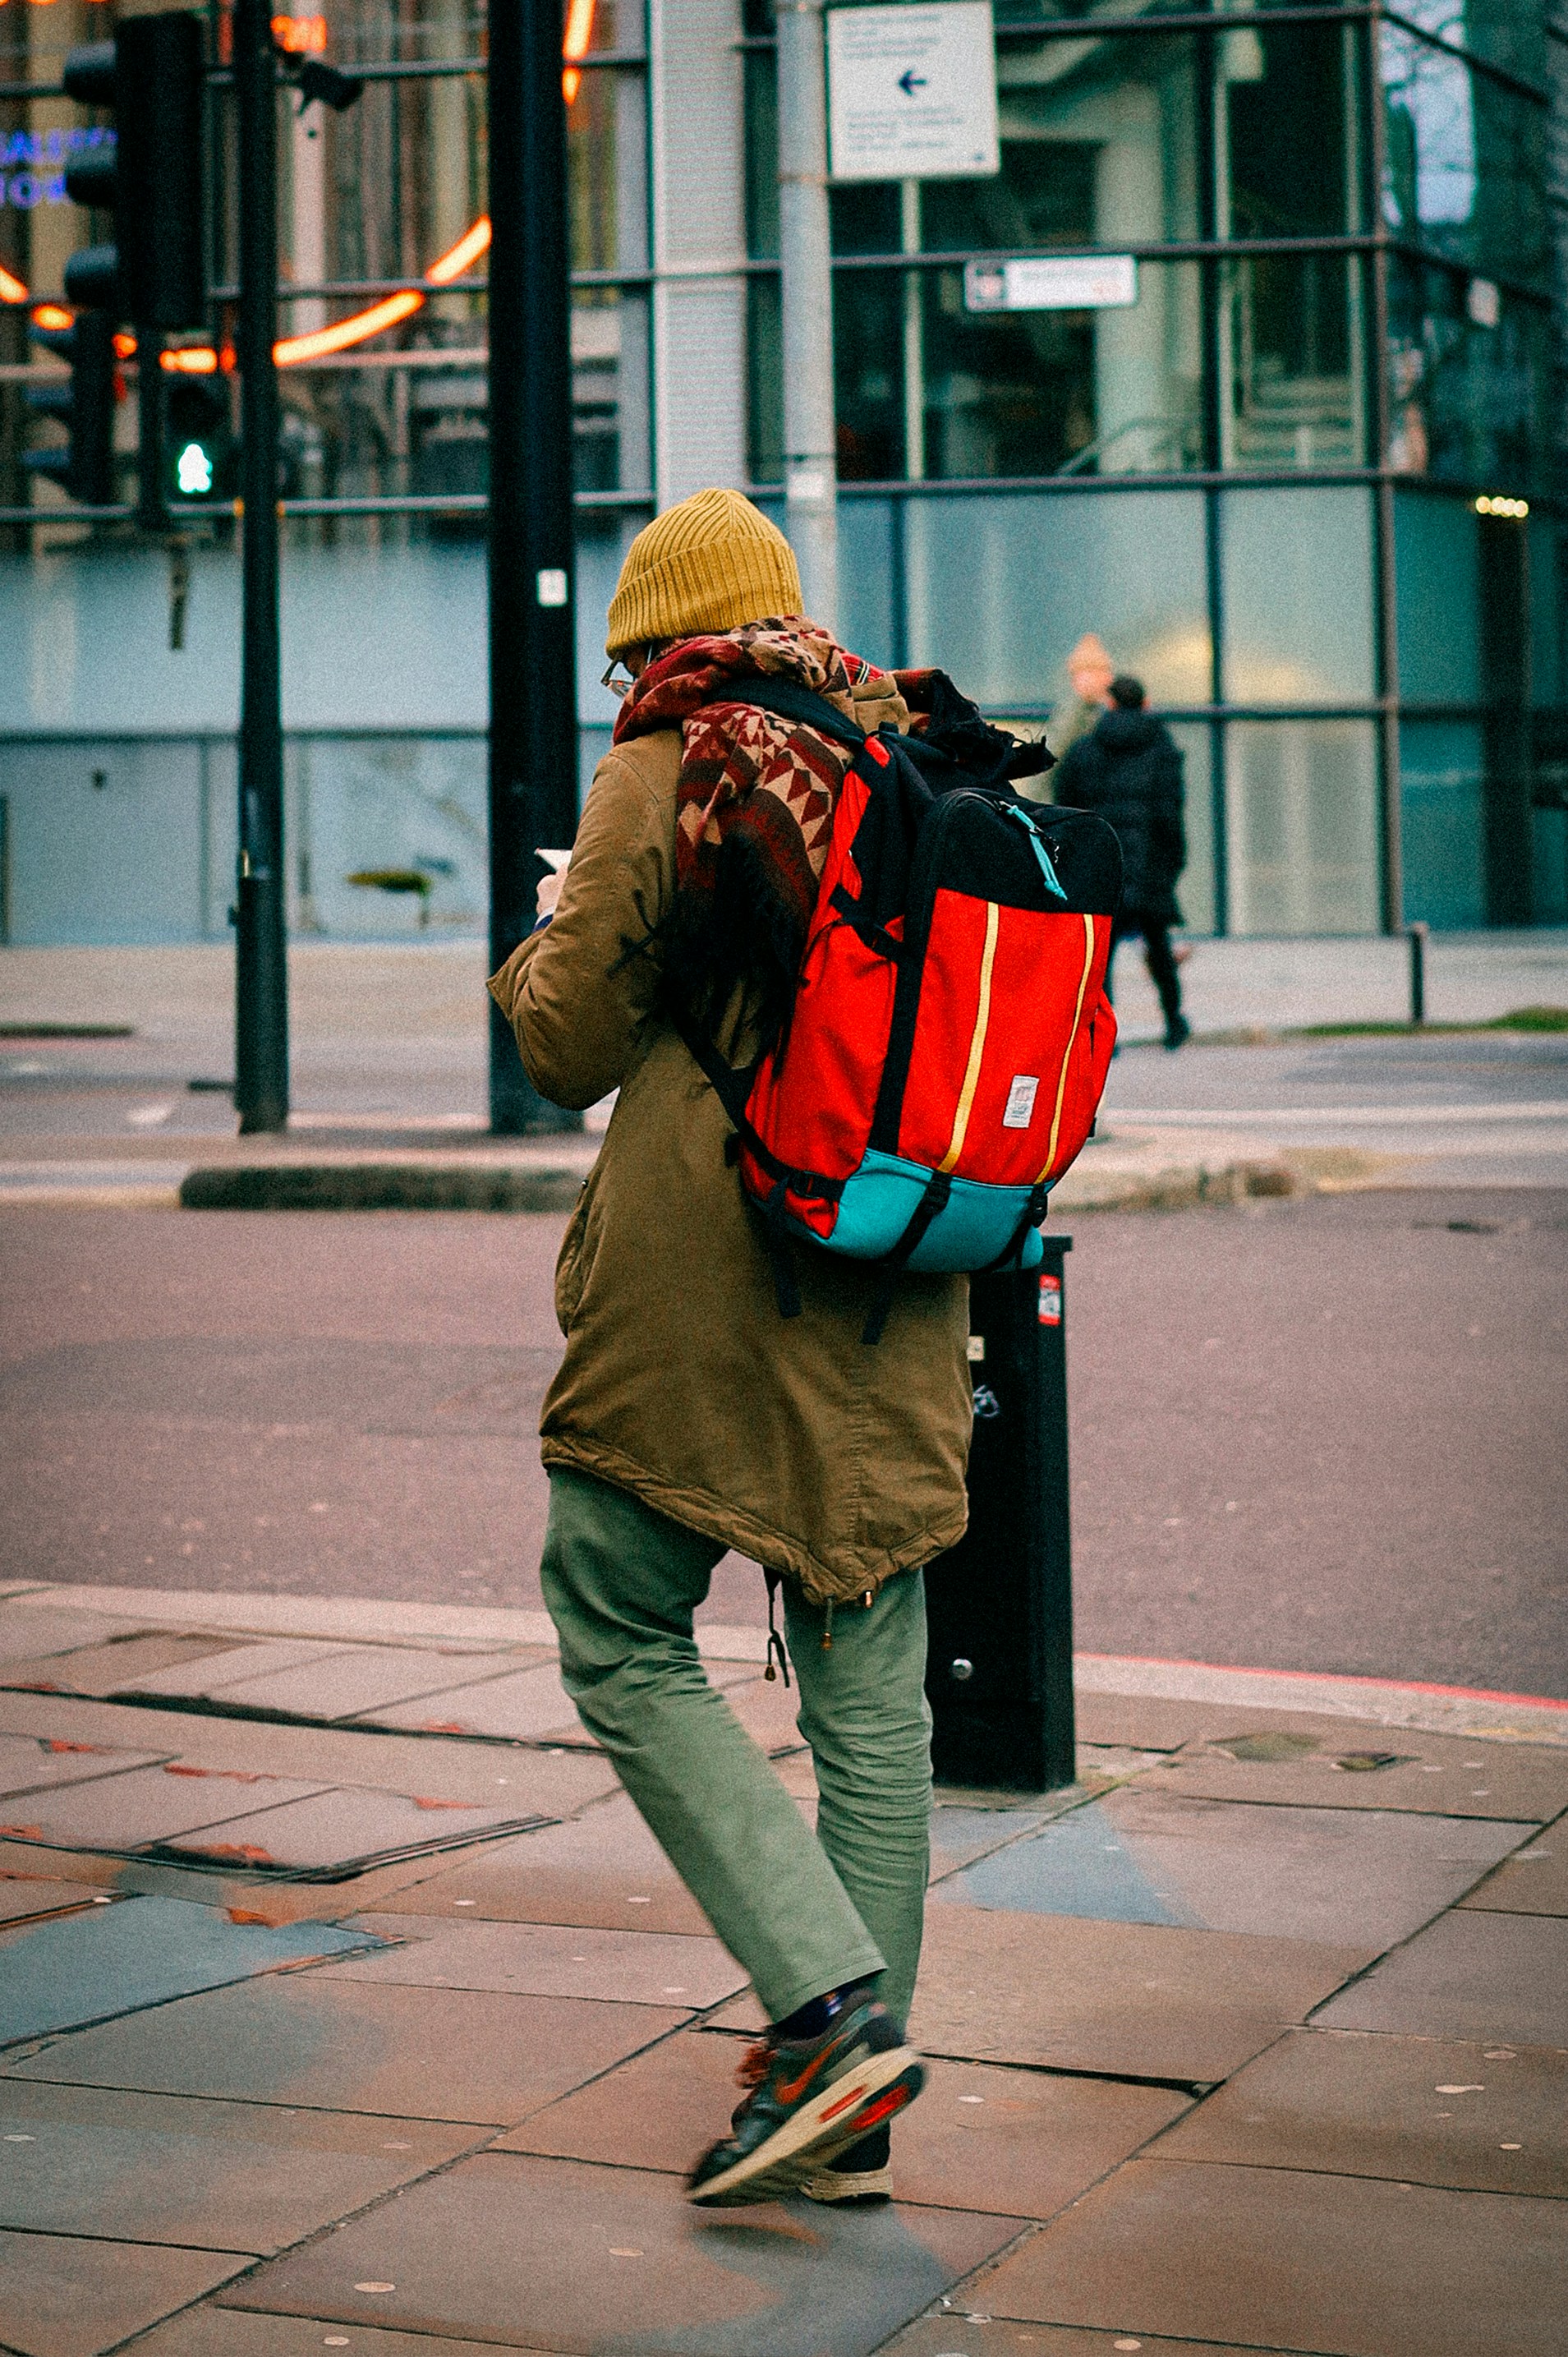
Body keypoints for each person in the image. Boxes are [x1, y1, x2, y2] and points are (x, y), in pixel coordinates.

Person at [489, 487, 973, 2209]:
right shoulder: (910, 756)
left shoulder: (668, 764)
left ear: (656, 640)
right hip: (903, 1264)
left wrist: (531, 937)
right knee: (870, 1686)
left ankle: (830, 2015)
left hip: (719, 1275)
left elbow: (568, 1041)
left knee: (613, 1612)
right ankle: (851, 2114)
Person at [1052, 673, 1190, 1049]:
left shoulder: (1085, 749)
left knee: (1101, 957)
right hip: (1148, 870)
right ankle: (1174, 1023)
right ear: (1144, 704)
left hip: (1104, 868)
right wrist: (1171, 865)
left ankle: (1104, 1037)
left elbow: (1067, 806)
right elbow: (1170, 816)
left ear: (1109, 704)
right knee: (1159, 950)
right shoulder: (1162, 749)